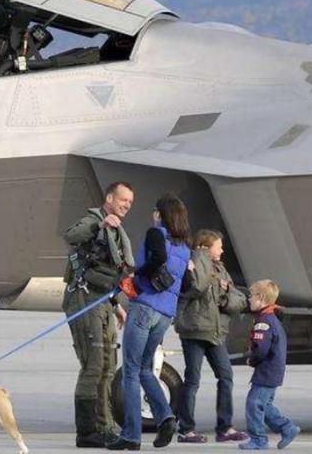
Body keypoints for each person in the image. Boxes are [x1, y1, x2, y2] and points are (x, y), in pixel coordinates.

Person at [107, 192, 191, 451]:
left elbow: (156, 260)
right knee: (144, 368)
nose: (153, 214)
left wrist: (133, 275)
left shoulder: (157, 234)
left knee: (131, 371)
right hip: (166, 313)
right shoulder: (185, 247)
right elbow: (186, 283)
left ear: (162, 215)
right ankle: (165, 416)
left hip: (145, 307)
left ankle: (131, 435)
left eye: (156, 211)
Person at [62, 181, 134, 448]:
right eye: (123, 200)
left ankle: (104, 426)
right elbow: (70, 235)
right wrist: (98, 226)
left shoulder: (117, 231)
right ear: (109, 198)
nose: (126, 205)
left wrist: (116, 306)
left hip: (102, 302)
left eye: (130, 202)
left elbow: (108, 273)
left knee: (106, 366)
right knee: (93, 366)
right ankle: (87, 431)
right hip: (84, 300)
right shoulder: (93, 221)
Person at [173, 229, 249, 443]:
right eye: (218, 246)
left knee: (226, 377)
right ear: (206, 248)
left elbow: (238, 299)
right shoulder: (195, 264)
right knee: (193, 380)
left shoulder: (220, 269)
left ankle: (225, 427)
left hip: (215, 332)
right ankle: (186, 429)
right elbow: (196, 287)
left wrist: (225, 298)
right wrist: (200, 256)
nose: (222, 250)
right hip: (194, 330)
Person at [240, 280, 300, 450]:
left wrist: (252, 360)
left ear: (260, 298)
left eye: (251, 296)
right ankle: (287, 428)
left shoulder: (263, 323)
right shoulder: (271, 318)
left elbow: (261, 350)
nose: (249, 300)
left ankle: (259, 439)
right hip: (274, 370)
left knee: (254, 404)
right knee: (264, 405)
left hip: (267, 371)